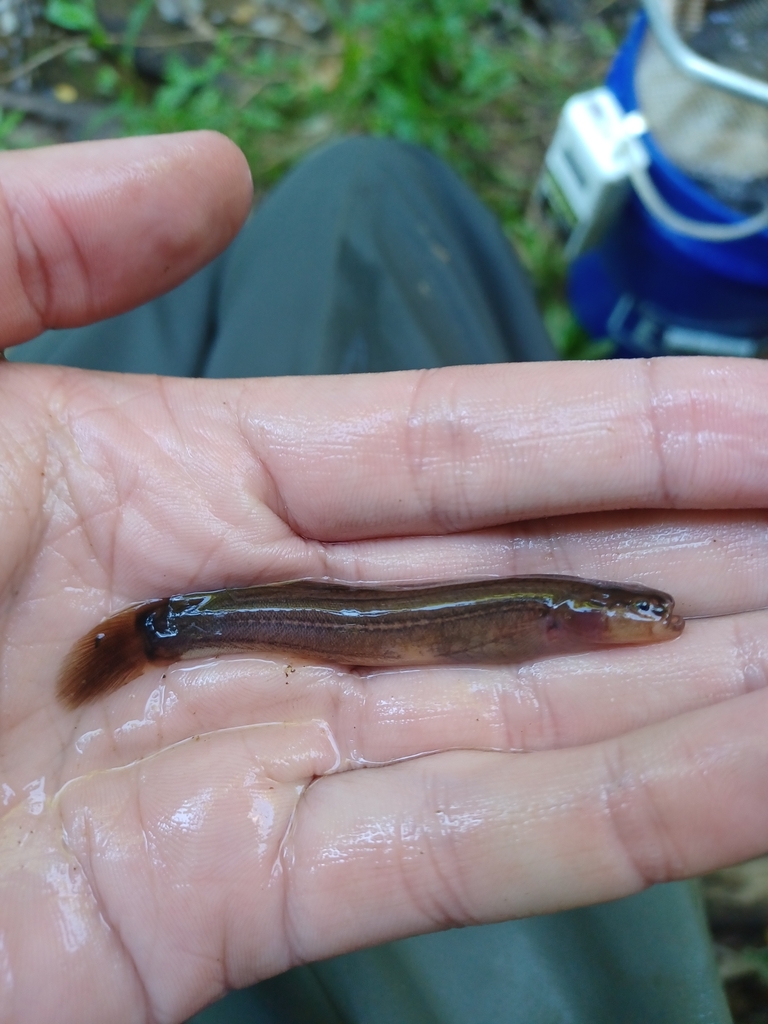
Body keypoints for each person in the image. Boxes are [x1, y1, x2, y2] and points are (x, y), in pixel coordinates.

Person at [0, 129, 765, 1024]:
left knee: (363, 184)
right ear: (588, 613)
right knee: (370, 184)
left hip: (323, 624)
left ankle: (167, 631)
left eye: (649, 610)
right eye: (645, 609)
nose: (655, 618)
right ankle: (163, 632)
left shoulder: (560, 612)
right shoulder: (554, 607)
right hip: (288, 624)